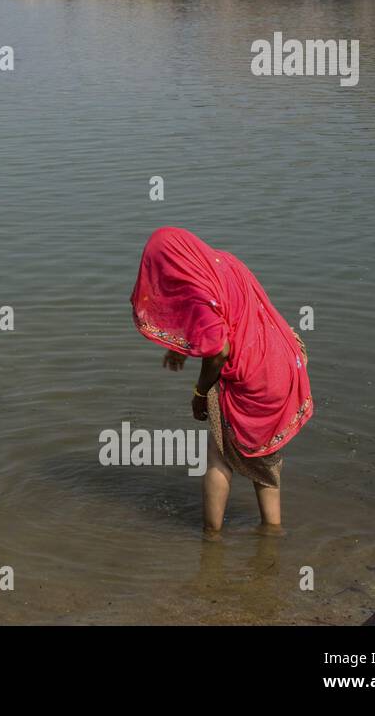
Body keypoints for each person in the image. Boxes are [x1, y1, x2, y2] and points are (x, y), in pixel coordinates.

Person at [130, 226, 312, 539]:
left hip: (255, 376)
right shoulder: (223, 263)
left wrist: (200, 394)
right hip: (281, 359)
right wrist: (184, 351)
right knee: (265, 457)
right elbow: (226, 319)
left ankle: (211, 539)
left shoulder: (199, 294)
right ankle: (272, 531)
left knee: (219, 456)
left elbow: (219, 349)